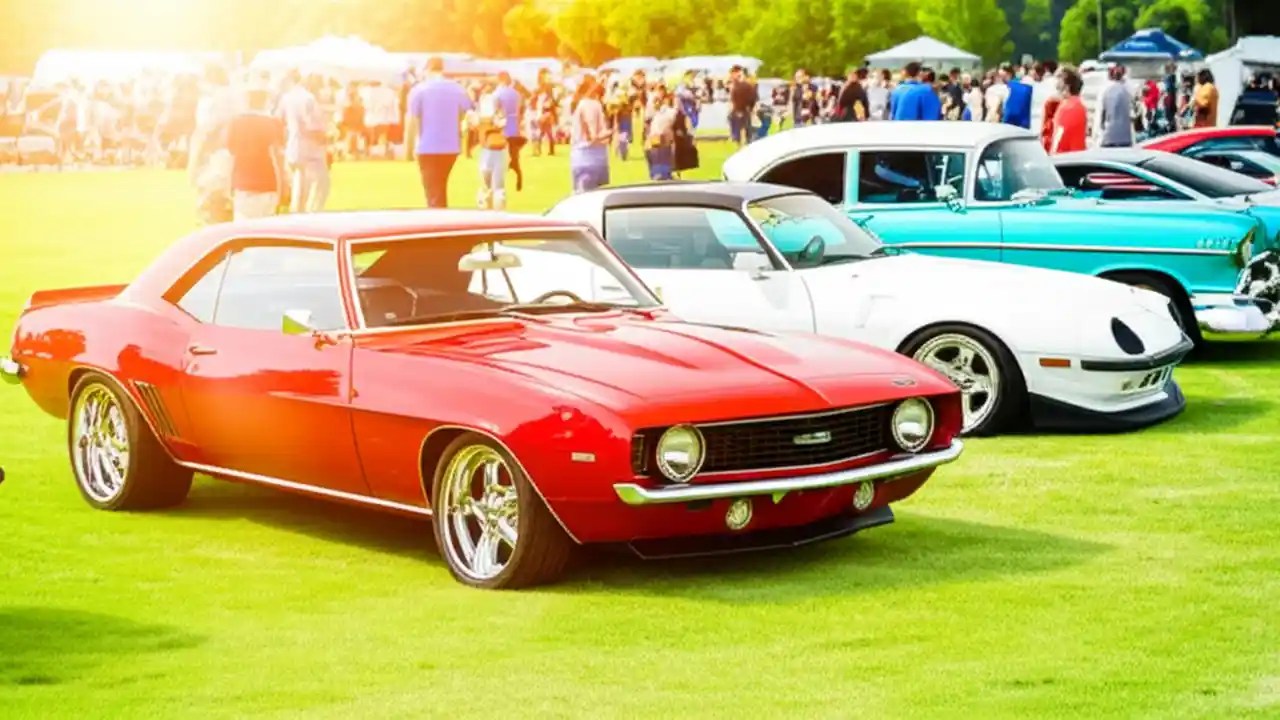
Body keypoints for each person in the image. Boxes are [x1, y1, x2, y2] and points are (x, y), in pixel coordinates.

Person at [406, 56, 472, 208]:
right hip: (450, 147)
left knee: (432, 192)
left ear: (427, 69)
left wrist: (408, 149)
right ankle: (442, 216)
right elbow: (468, 113)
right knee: (440, 187)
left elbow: (412, 121)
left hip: (426, 147)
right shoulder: (457, 89)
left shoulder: (419, 90)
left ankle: (437, 222)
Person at [227, 80, 284, 220]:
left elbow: (231, 156)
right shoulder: (273, 123)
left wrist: (229, 183)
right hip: (267, 184)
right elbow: (278, 158)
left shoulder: (236, 123)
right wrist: (282, 186)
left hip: (242, 184)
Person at [279, 72, 330, 212]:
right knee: (318, 188)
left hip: (294, 147)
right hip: (310, 149)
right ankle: (310, 216)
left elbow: (280, 121)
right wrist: (326, 138)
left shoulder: (286, 98)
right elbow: (310, 126)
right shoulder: (308, 99)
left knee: (299, 186)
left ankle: (297, 215)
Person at [569, 73, 611, 192]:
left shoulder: (575, 105)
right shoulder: (593, 105)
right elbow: (593, 137)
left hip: (578, 159)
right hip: (595, 159)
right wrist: (611, 132)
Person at [474, 82, 509, 210]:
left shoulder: (482, 108)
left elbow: (475, 123)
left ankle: (486, 209)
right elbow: (502, 123)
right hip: (496, 148)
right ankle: (498, 210)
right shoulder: (497, 108)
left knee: (486, 183)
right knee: (497, 185)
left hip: (487, 148)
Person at [492, 72, 524, 192]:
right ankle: (519, 179)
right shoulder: (516, 94)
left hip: (501, 128)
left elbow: (495, 111)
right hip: (514, 127)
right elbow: (519, 111)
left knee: (499, 158)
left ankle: (498, 185)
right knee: (515, 157)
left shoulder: (497, 94)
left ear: (500, 79)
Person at [1051, 68, 1087, 155]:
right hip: (1079, 155)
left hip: (1065, 159)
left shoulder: (1066, 107)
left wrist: (1052, 155)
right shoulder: (1080, 106)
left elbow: (1059, 138)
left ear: (1066, 86)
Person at [1098, 64, 1134, 147]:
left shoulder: (1106, 89)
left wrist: (1101, 128)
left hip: (1109, 136)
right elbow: (1133, 113)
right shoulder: (1128, 89)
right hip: (1125, 137)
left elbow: (1102, 114)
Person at [646, 90, 678, 180]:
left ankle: (664, 176)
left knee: (663, 164)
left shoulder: (669, 112)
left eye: (656, 101)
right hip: (655, 144)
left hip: (664, 143)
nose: (654, 104)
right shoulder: (656, 114)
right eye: (654, 101)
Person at [728, 65, 758, 145]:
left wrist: (749, 108)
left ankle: (740, 141)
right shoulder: (744, 85)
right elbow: (753, 98)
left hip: (741, 109)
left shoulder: (741, 85)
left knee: (742, 128)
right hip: (743, 109)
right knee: (743, 127)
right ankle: (741, 140)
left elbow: (752, 98)